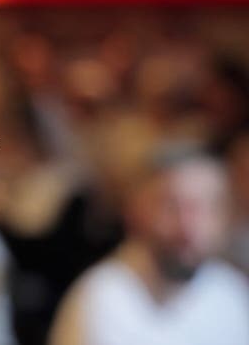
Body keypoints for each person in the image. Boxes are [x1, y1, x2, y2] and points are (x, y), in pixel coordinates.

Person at [50, 146, 249, 345]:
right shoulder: (99, 299)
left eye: (205, 207)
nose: (188, 227)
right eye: (171, 206)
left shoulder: (231, 294)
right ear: (135, 210)